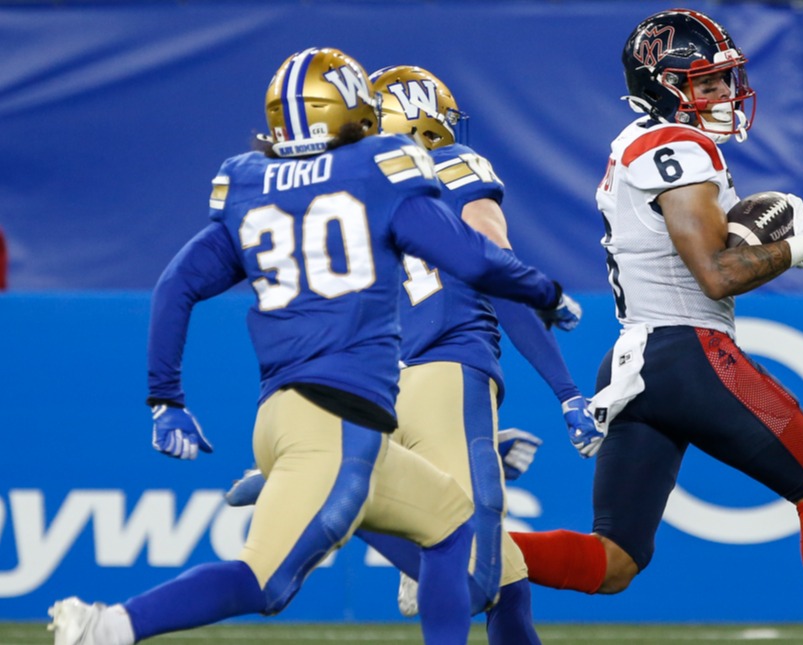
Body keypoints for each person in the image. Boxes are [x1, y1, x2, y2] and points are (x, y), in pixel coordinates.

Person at [46, 46, 579, 645]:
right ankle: (109, 626)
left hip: (291, 412)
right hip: (338, 418)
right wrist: (545, 291)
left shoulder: (252, 185)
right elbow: (474, 258)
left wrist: (165, 398)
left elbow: (177, 285)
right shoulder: (379, 171)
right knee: (266, 583)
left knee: (451, 528)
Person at [508, 9, 803, 645]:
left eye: (726, 81)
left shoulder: (635, 144)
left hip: (638, 360)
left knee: (614, 562)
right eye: (706, 84)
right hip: (687, 351)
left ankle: (456, 550)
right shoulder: (678, 146)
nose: (725, 96)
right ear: (662, 86)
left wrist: (768, 244)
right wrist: (799, 249)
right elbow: (717, 276)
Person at [222, 64, 603, 645]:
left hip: (373, 382)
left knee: (511, 580)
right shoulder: (456, 168)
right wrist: (566, 390)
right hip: (446, 375)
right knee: (474, 575)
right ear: (424, 123)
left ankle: (329, 486)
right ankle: (364, 517)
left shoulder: (356, 184)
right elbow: (495, 268)